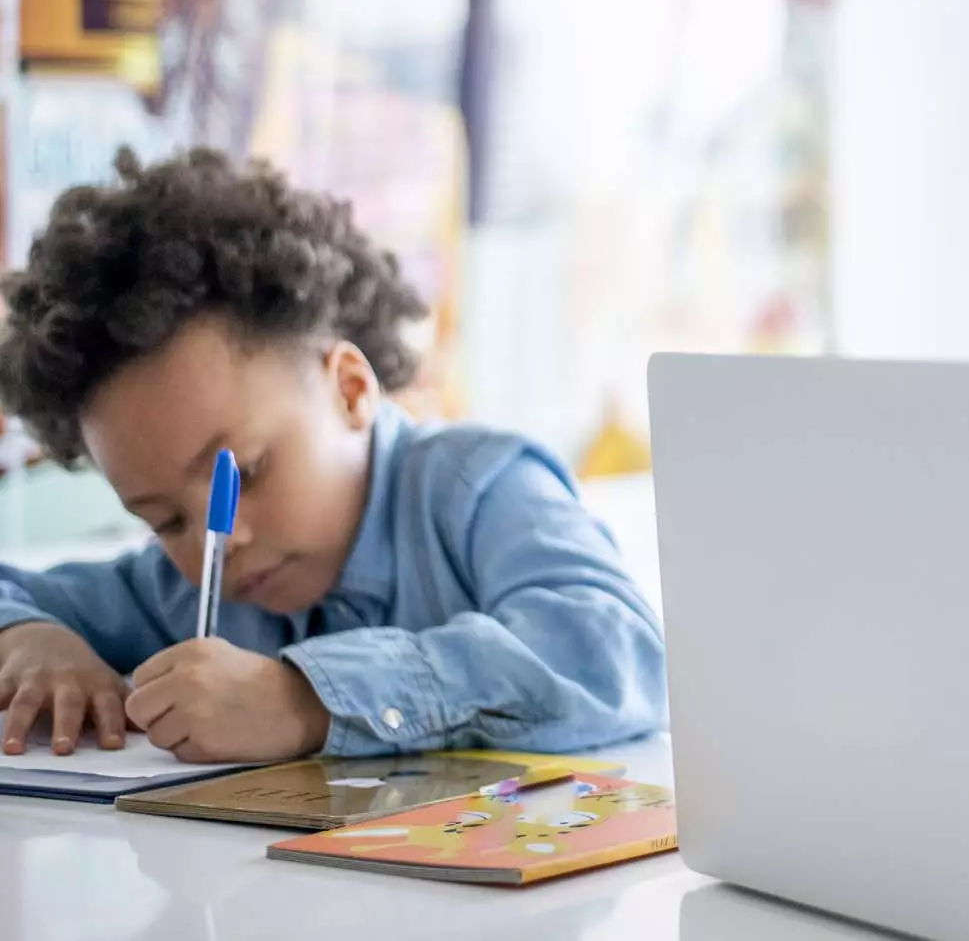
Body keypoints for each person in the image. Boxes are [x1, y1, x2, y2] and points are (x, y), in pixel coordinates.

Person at [0, 148, 666, 762]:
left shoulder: (479, 488)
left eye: (247, 473)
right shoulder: (178, 588)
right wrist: (31, 640)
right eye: (166, 521)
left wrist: (307, 699)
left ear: (349, 390)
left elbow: (615, 652)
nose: (217, 542)